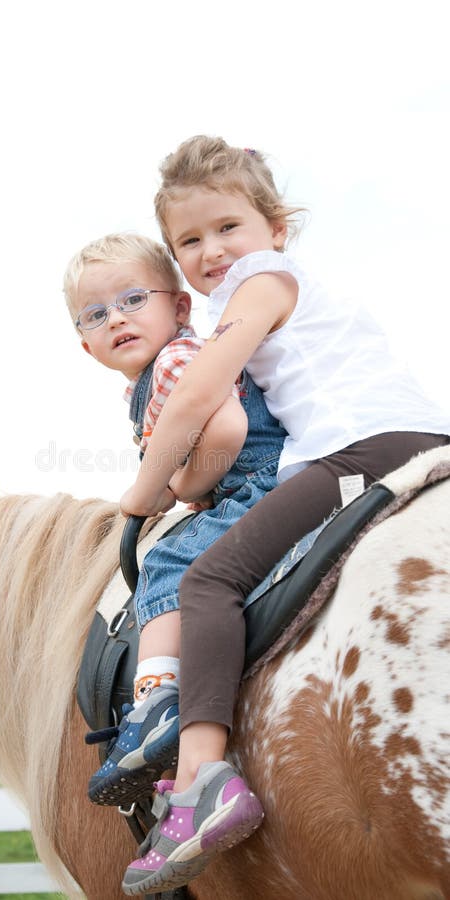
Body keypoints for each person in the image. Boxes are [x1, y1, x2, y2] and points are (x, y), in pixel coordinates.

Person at [118, 135, 450, 896]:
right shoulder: (281, 285)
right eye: (189, 241)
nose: (212, 250)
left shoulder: (262, 281)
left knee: (207, 582)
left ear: (276, 228)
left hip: (358, 449)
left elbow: (201, 393)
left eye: (227, 227)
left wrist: (145, 491)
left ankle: (203, 781)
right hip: (411, 435)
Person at [62, 232, 286, 815]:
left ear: (180, 307)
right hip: (242, 485)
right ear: (87, 345)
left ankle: (155, 699)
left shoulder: (175, 363)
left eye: (134, 299)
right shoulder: (151, 378)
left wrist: (176, 486)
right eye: (96, 314)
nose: (116, 318)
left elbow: (230, 431)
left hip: (259, 482)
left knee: (165, 565)